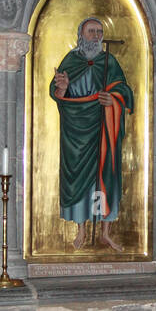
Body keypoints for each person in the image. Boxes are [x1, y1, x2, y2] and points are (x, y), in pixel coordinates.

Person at [50, 17, 133, 251]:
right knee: (79, 180)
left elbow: (124, 91)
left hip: (104, 128)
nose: (96, 36)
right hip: (76, 132)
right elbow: (56, 91)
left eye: (99, 32)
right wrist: (63, 87)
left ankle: (105, 231)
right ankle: (82, 229)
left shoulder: (109, 61)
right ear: (81, 35)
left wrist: (113, 99)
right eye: (91, 31)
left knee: (104, 177)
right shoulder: (71, 60)